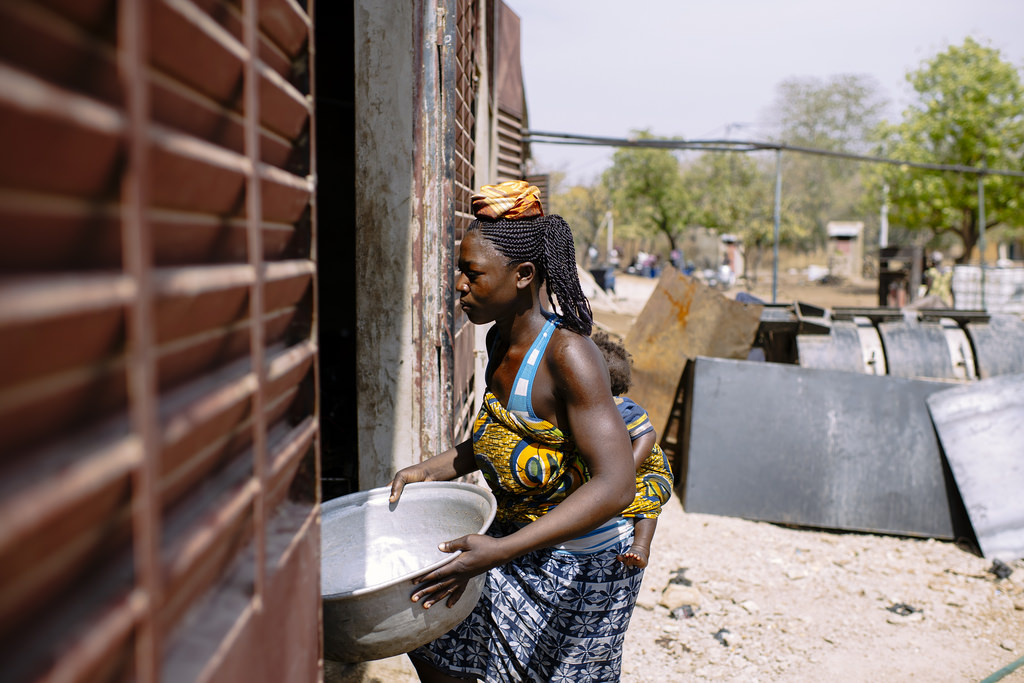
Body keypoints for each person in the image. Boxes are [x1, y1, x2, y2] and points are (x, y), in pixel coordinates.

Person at [389, 180, 640, 682]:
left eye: (473, 273)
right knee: (430, 630)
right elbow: (498, 440)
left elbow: (617, 486)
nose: (459, 284)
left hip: (581, 570)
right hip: (513, 546)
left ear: (523, 275)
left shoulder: (569, 356)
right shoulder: (499, 341)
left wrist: (499, 552)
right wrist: (426, 471)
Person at [591, 330, 674, 569]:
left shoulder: (622, 409)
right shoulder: (588, 407)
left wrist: (629, 469)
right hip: (617, 468)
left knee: (646, 502)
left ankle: (640, 547)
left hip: (646, 470)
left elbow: (647, 436)